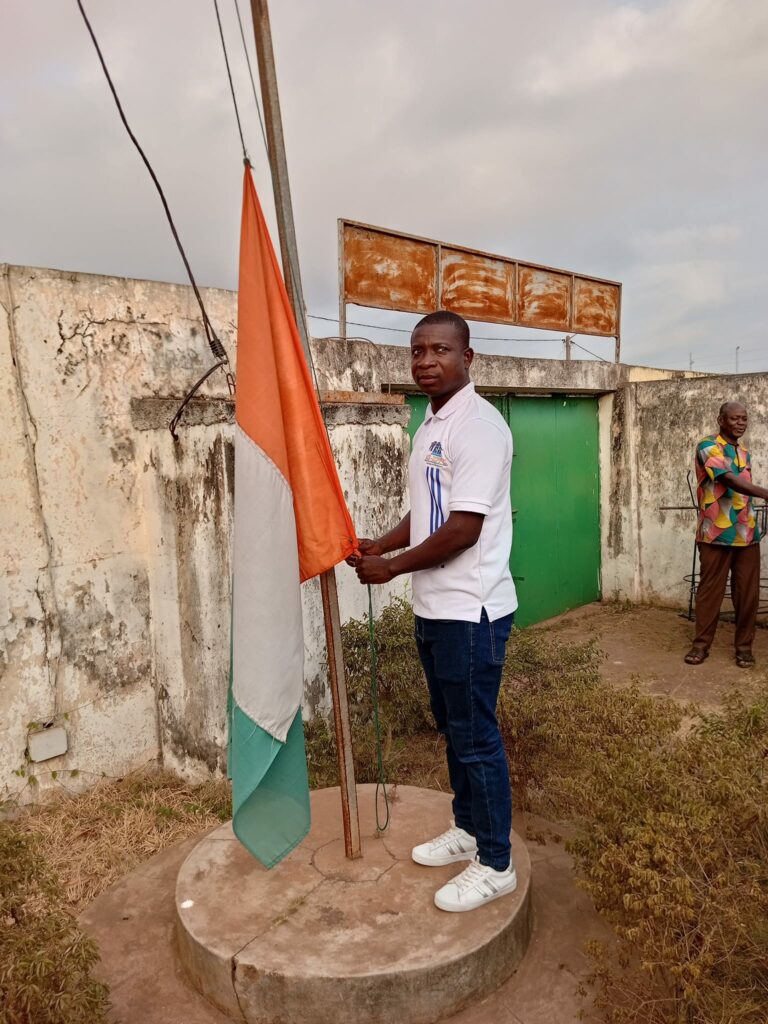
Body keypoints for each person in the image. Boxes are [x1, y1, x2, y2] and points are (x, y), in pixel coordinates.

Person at [347, 309, 518, 912]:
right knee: (453, 733)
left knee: (476, 739)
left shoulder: (479, 428)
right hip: (435, 608)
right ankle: (469, 830)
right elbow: (428, 514)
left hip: (471, 612)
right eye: (417, 351)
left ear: (467, 358)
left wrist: (390, 569)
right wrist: (381, 545)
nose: (425, 361)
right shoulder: (431, 421)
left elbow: (465, 529)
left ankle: (496, 863)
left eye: (439, 350)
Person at [684, 401, 767, 668]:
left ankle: (744, 648)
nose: (741, 423)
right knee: (711, 591)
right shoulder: (708, 446)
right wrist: (765, 493)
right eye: (735, 418)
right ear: (721, 419)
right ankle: (701, 646)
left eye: (744, 418)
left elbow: (742, 490)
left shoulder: (743, 451)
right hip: (715, 534)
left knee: (747, 594)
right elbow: (728, 479)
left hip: (746, 534)